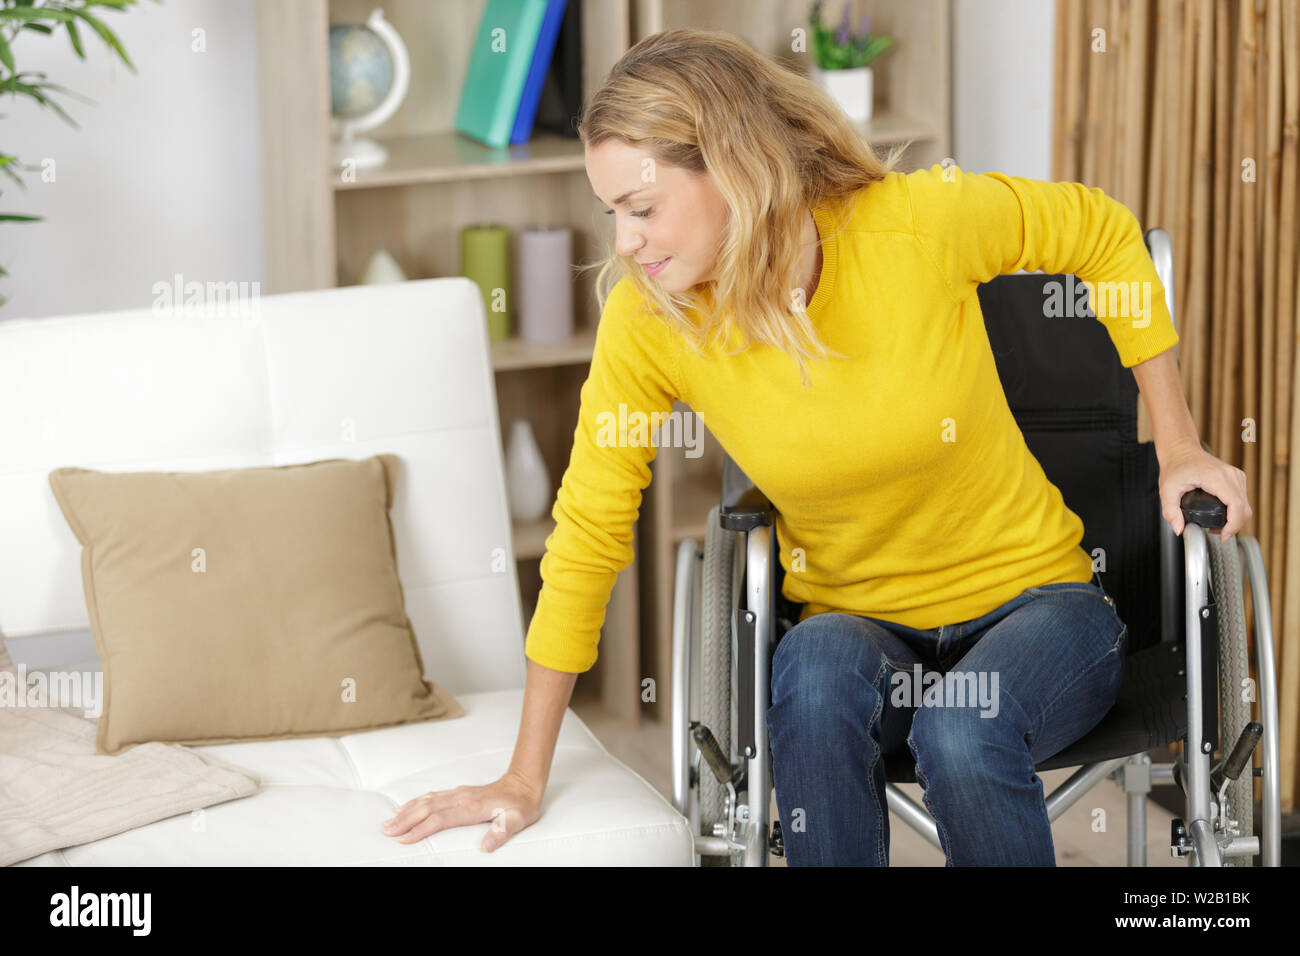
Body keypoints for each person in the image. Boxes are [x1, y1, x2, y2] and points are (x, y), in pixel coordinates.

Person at [381, 28, 1253, 865]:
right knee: (812, 670)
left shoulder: (915, 223)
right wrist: (523, 776)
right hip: (854, 622)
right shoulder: (649, 322)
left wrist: (1178, 446)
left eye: (642, 208)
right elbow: (587, 534)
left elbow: (1102, 234)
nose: (624, 242)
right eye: (611, 212)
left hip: (1039, 607)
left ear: (734, 168)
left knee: (963, 726)